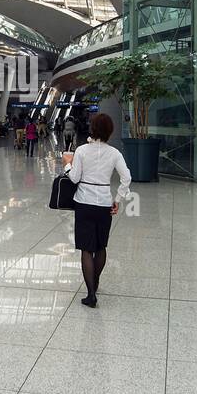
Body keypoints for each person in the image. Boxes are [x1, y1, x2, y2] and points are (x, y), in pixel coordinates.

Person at [63, 112, 132, 308]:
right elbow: (126, 177)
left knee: (86, 248)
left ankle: (91, 293)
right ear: (110, 131)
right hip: (104, 202)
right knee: (101, 247)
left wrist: (67, 165)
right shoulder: (114, 153)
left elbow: (74, 178)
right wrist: (118, 199)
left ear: (92, 129)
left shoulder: (82, 150)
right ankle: (96, 280)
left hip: (84, 203)